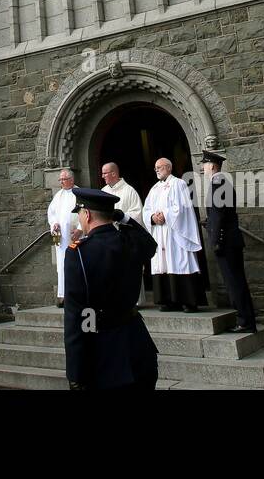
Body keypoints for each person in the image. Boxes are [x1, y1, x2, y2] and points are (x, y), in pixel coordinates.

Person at [63, 188, 158, 391]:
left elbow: (77, 316)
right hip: (138, 345)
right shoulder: (128, 240)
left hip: (104, 351)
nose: (80, 220)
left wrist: (75, 372)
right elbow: (150, 245)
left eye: (79, 214)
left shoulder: (79, 252)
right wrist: (124, 218)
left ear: (86, 214)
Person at [203, 148, 256, 333]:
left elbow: (218, 215)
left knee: (234, 282)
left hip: (226, 241)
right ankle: (246, 320)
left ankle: (245, 321)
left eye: (205, 165)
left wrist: (215, 239)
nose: (203, 169)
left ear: (213, 166)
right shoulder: (222, 183)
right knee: (237, 281)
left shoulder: (218, 185)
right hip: (231, 239)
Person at [142, 158, 205, 312]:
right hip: (160, 232)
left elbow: (183, 207)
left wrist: (165, 214)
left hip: (175, 232)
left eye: (160, 167)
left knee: (179, 261)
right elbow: (146, 209)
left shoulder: (179, 184)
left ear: (169, 168)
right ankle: (168, 300)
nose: (156, 170)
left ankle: (188, 301)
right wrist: (152, 217)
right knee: (163, 264)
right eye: (155, 167)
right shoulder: (154, 188)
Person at [46, 169, 81, 307]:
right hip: (61, 237)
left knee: (75, 264)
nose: (61, 182)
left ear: (71, 179)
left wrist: (80, 229)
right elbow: (52, 213)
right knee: (62, 265)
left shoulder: (79, 194)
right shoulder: (58, 195)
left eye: (63, 179)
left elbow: (85, 212)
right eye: (60, 180)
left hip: (74, 236)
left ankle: (76, 295)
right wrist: (54, 224)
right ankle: (63, 295)